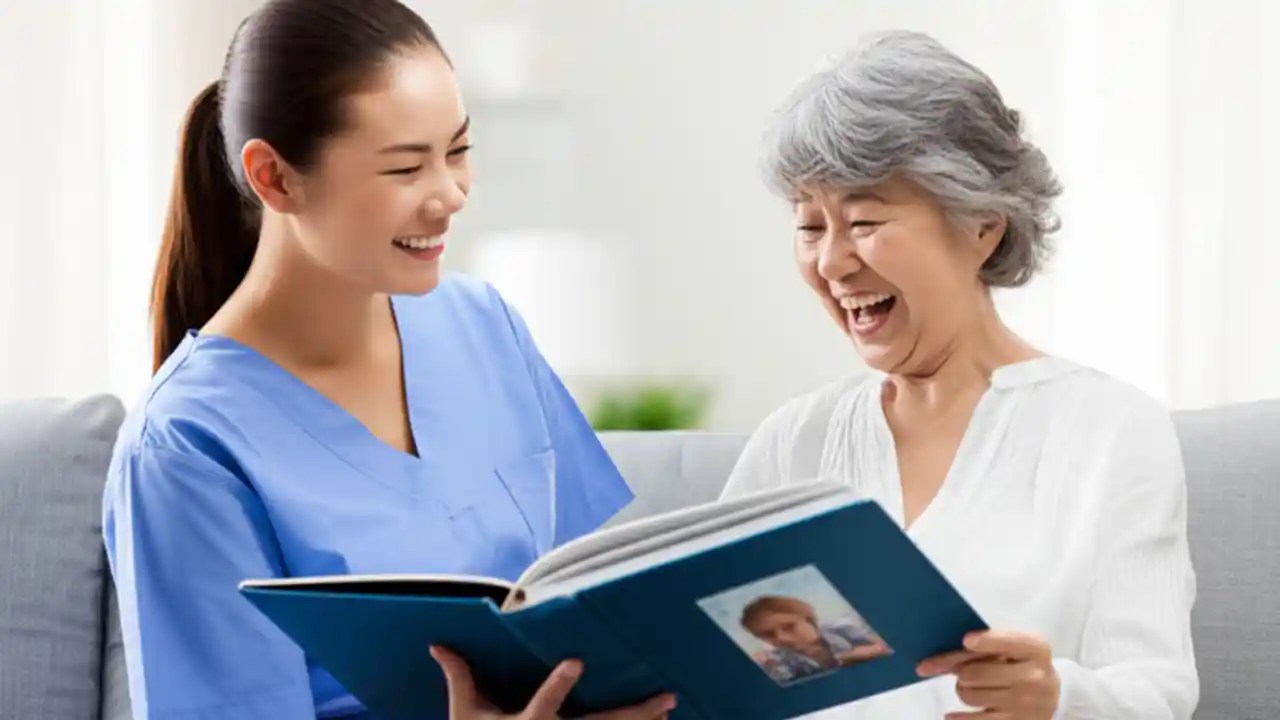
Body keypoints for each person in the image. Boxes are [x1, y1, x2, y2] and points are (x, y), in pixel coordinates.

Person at [101, 2, 674, 719]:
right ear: (275, 178)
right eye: (406, 167)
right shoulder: (184, 448)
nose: (451, 195)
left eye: (458, 151)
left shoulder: (483, 325)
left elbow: (592, 605)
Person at [721, 30, 1198, 719]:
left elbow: (1159, 693)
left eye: (863, 221)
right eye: (809, 227)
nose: (830, 262)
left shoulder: (1110, 430)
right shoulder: (792, 441)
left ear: (982, 226)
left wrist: (1057, 699)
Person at [740, 596, 890, 684]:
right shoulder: (779, 661)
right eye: (768, 635)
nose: (781, 638)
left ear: (808, 619)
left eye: (789, 627)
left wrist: (872, 651)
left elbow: (884, 647)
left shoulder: (840, 629)